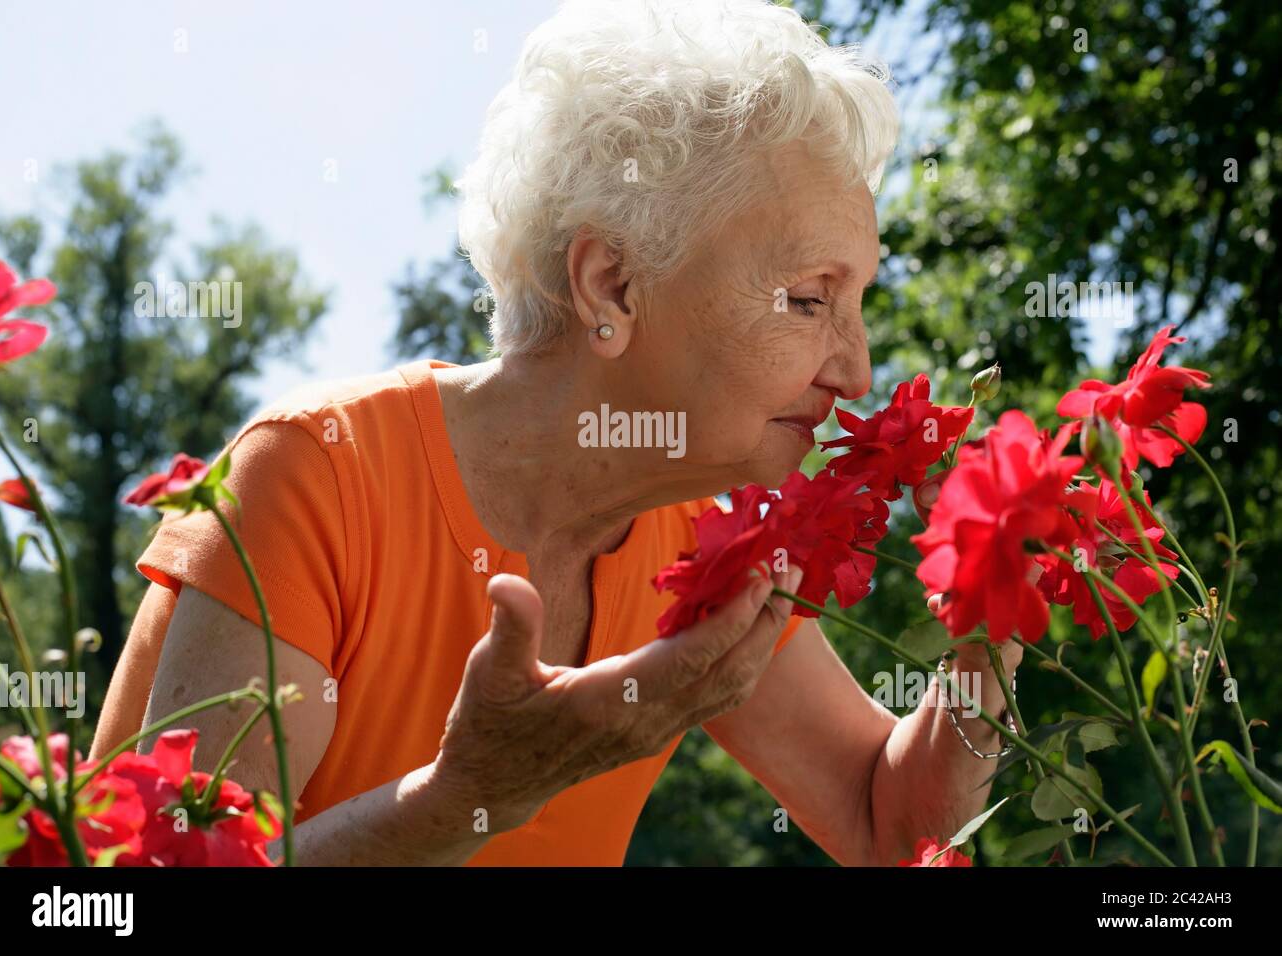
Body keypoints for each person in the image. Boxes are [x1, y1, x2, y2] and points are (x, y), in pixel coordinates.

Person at [92, 0, 1021, 866]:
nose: (856, 370)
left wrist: (994, 608)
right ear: (610, 285)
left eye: (857, 303)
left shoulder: (706, 539)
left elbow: (889, 825)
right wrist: (467, 798)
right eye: (810, 300)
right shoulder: (313, 473)